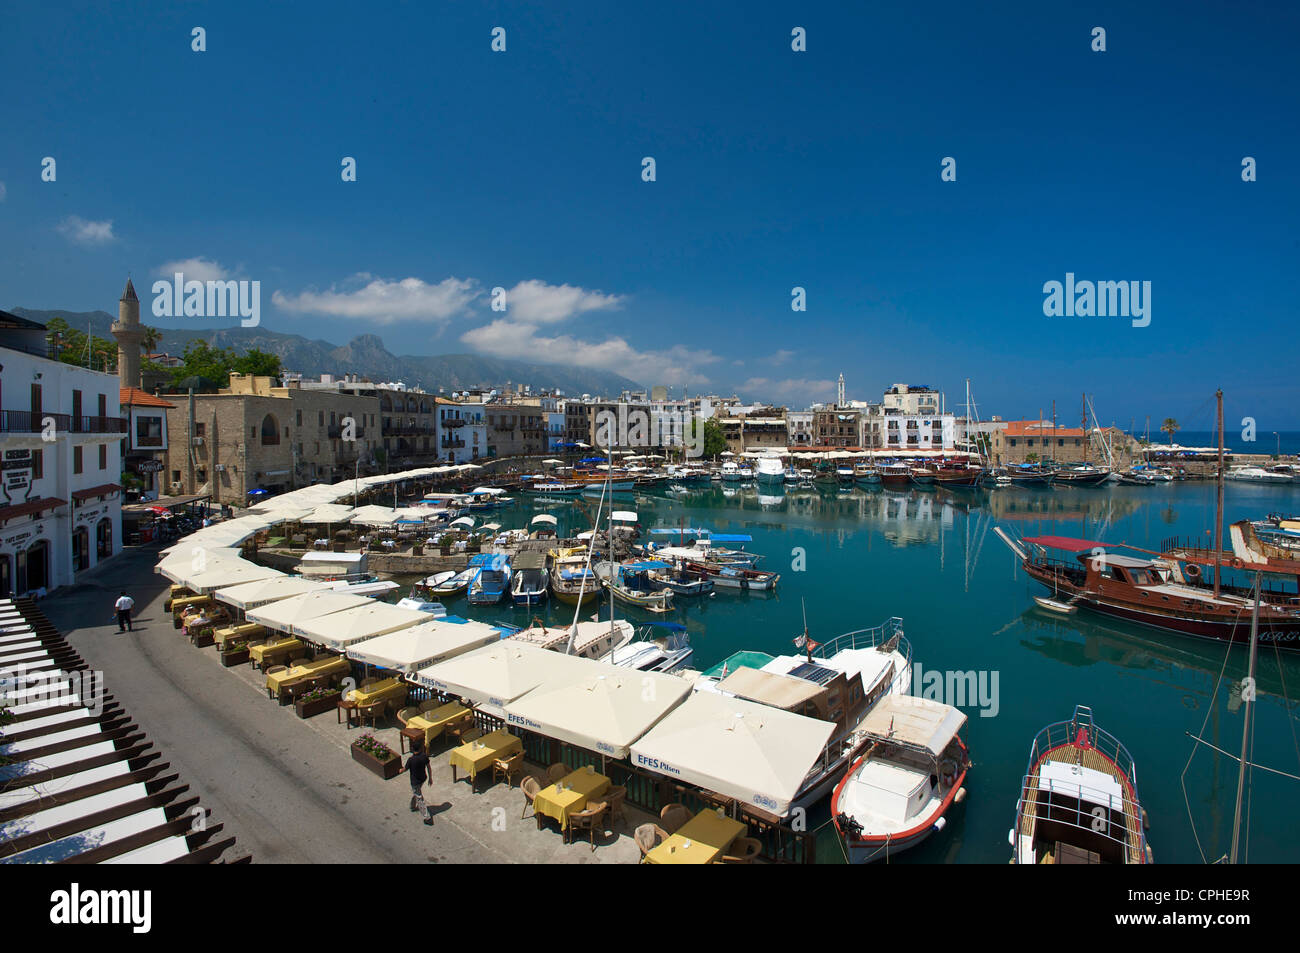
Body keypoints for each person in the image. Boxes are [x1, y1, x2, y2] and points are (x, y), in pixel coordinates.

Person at [406, 738, 433, 826]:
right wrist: (430, 778)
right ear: (420, 748)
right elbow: (428, 767)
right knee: (416, 792)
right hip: (423, 778)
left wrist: (399, 770)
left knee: (419, 798)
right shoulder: (424, 756)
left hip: (415, 781)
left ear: (412, 749)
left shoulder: (411, 760)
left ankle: (427, 817)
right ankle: (412, 806)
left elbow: (404, 769)